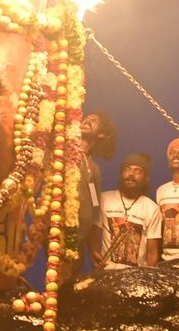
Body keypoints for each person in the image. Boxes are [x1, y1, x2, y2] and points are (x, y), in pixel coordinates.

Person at [93, 153, 161, 270]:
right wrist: (94, 251)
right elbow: (93, 230)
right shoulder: (104, 199)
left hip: (136, 277)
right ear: (121, 174)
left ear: (146, 178)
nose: (131, 174)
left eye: (137, 171)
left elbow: (152, 252)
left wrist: (147, 277)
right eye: (127, 169)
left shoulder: (152, 208)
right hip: (106, 273)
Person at [76, 111, 116, 274]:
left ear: (101, 134)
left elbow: (94, 210)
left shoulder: (94, 169)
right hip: (55, 229)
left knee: (70, 283)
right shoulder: (61, 152)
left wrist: (93, 249)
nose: (87, 120)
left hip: (78, 239)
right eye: (86, 118)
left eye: (93, 120)